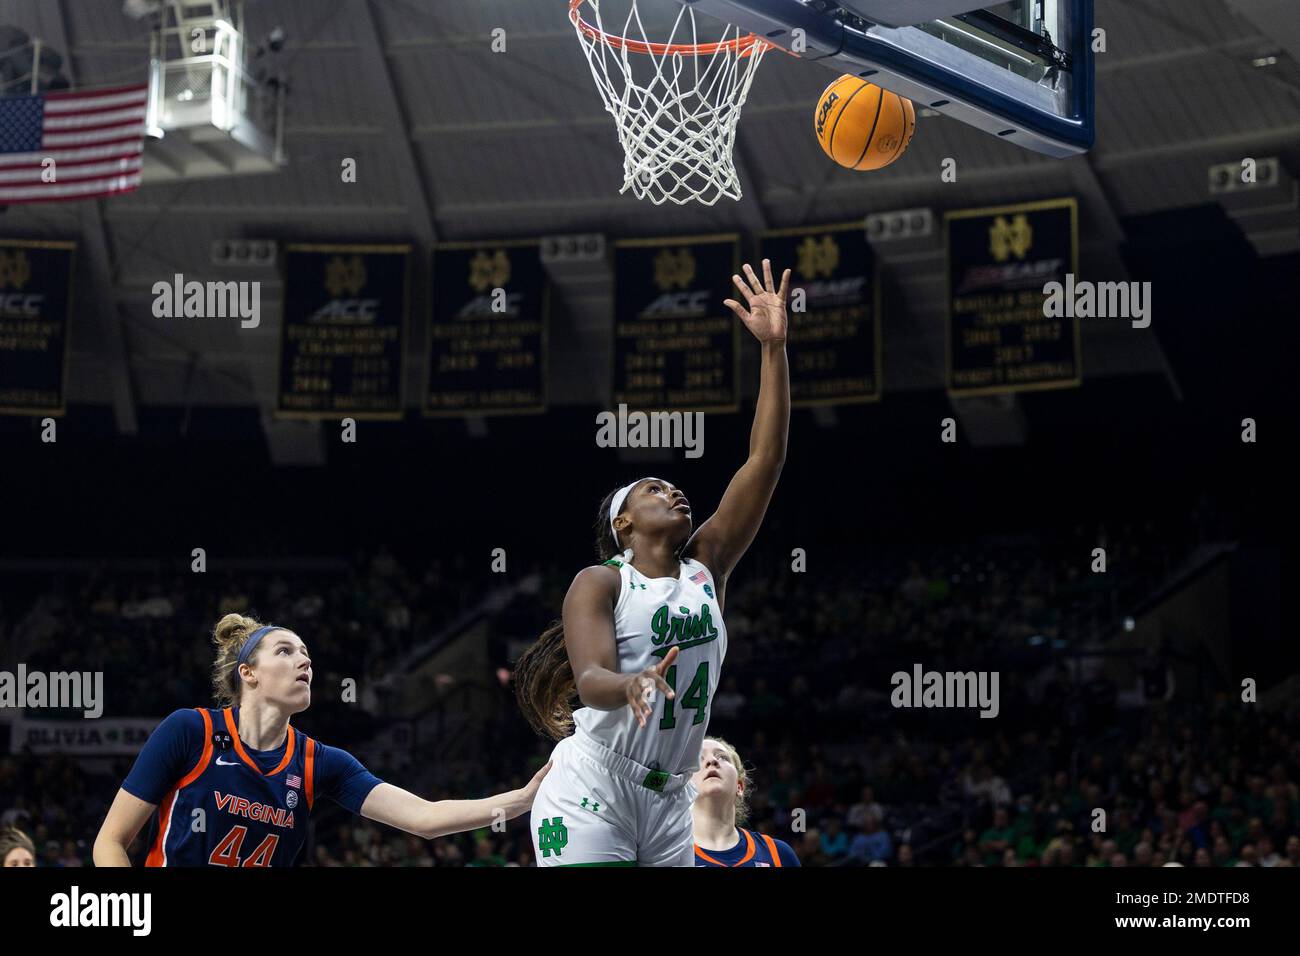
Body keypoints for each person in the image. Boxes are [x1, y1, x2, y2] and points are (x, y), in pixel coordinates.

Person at [515, 260, 791, 866]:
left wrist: (773, 350)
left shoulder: (707, 566)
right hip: (595, 785)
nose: (673, 492)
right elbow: (589, 681)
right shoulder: (602, 582)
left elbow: (764, 459)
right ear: (623, 524)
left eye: (673, 486)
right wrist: (631, 683)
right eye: (653, 490)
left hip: (670, 800)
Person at [93, 614, 548, 866]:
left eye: (307, 654)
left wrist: (522, 799)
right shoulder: (191, 731)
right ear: (247, 673)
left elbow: (424, 818)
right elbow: (110, 843)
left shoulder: (320, 762)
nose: (304, 662)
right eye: (286, 651)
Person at [692, 737, 799, 867]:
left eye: (722, 757)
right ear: (683, 786)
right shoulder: (667, 855)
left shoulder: (779, 854)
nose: (712, 760)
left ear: (739, 787)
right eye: (698, 759)